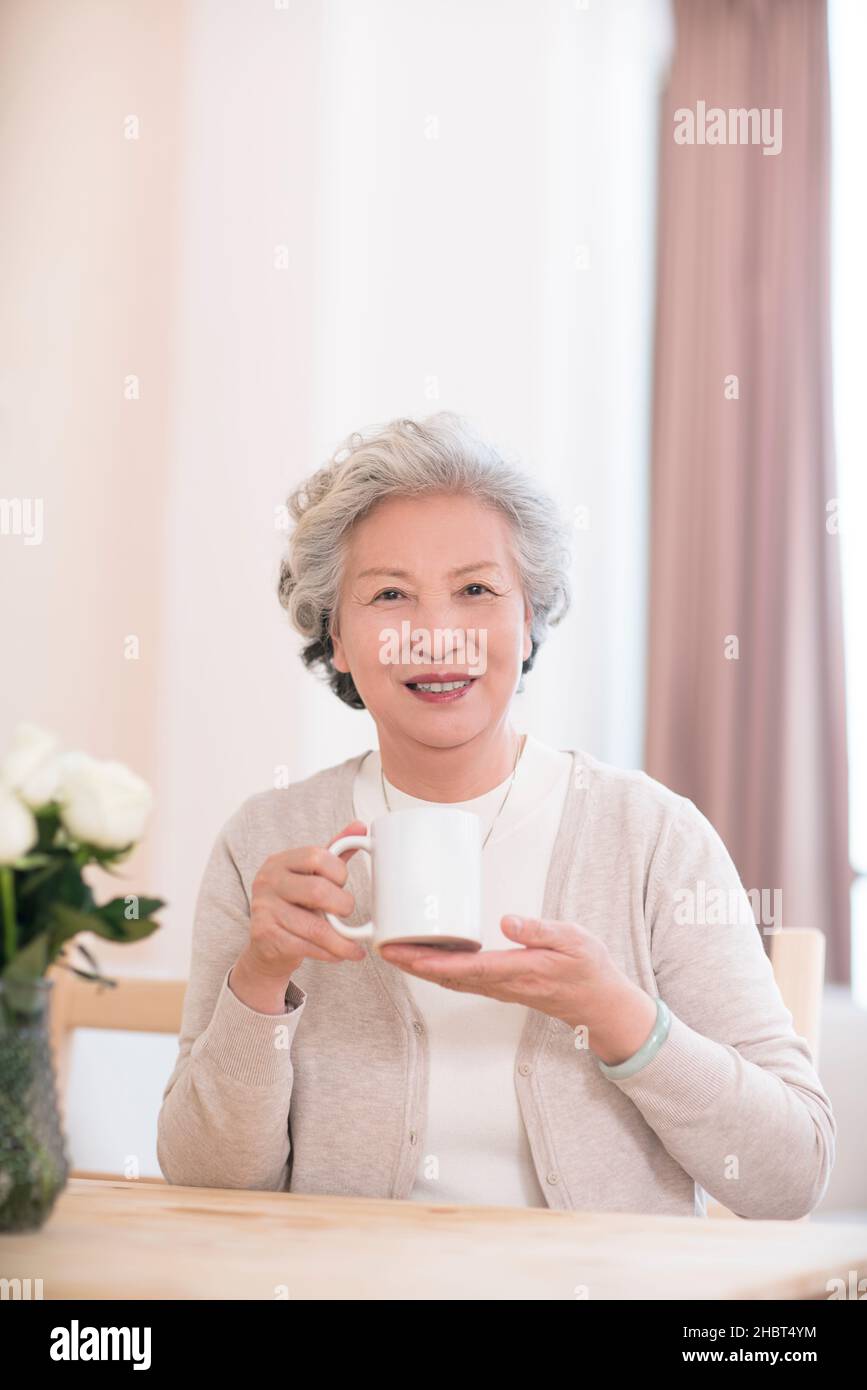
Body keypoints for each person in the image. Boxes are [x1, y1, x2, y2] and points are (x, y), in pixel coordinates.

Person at [157, 412, 835, 1217]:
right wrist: (260, 977)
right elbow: (207, 1184)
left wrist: (613, 1013)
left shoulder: (652, 836)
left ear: (529, 620)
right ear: (335, 637)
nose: (436, 635)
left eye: (476, 590)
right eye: (388, 596)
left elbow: (789, 1178)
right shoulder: (264, 843)